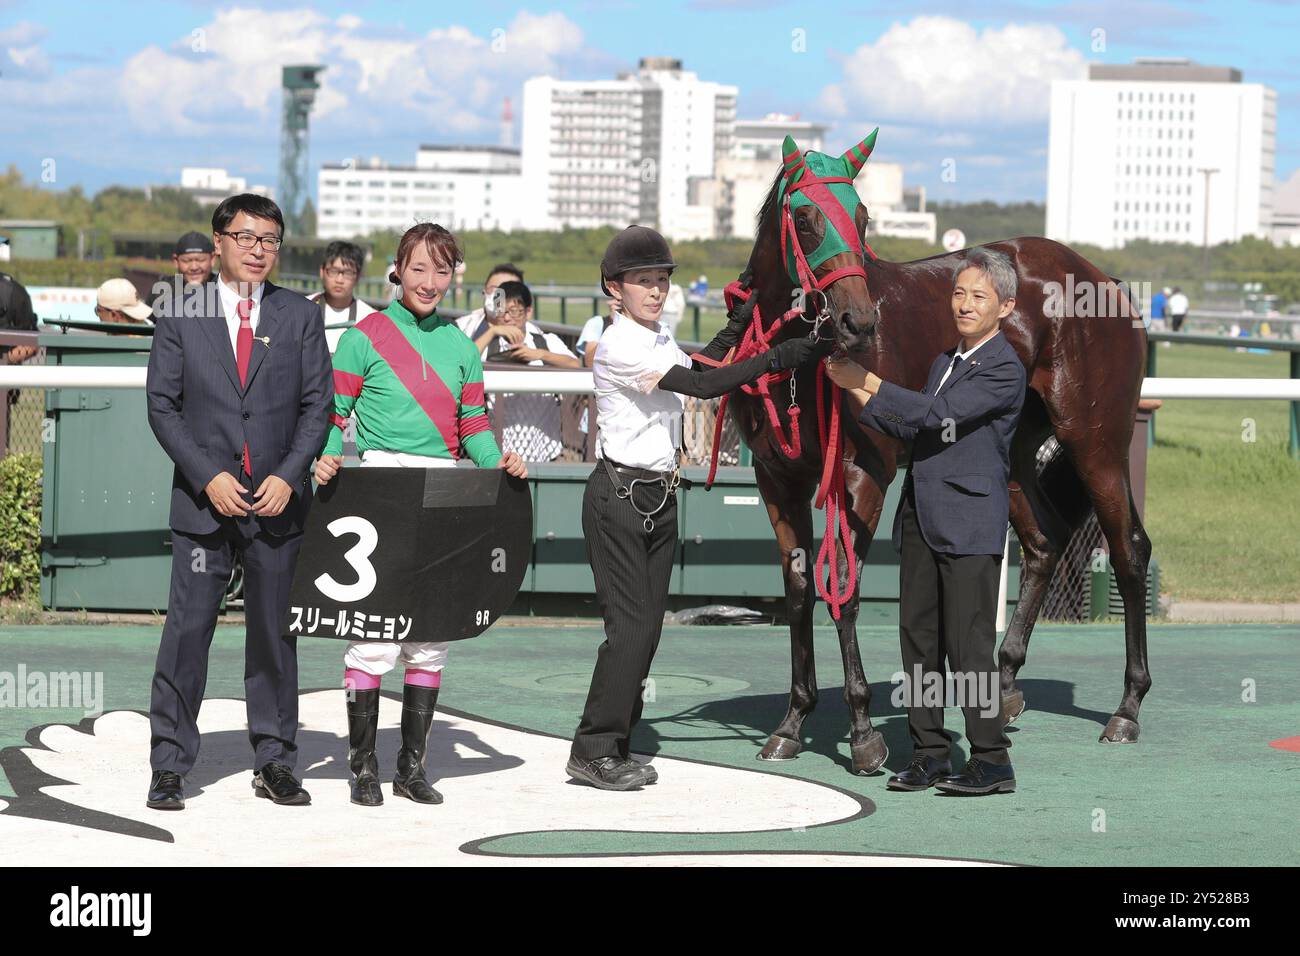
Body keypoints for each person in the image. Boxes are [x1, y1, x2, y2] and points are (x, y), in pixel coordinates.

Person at [566, 225, 830, 791]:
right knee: (630, 631)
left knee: (645, 631)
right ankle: (591, 749)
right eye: (644, 282)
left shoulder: (655, 337)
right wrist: (777, 358)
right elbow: (704, 388)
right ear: (615, 289)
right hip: (619, 497)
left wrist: (740, 323)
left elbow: (699, 369)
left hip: (657, 496)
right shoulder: (620, 343)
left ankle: (613, 743)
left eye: (661, 280)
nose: (656, 291)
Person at [314, 222, 528, 808]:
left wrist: (496, 464)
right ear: (397, 270)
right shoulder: (363, 336)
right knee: (375, 640)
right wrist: (327, 460)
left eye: (441, 270)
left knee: (430, 638)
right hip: (381, 494)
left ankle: (412, 768)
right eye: (418, 269)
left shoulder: (462, 346)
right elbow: (335, 415)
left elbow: (474, 427)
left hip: (444, 493)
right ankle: (363, 765)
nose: (430, 282)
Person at [144, 193, 332, 811]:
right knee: (187, 632)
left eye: (271, 240)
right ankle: (170, 763)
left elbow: (317, 408)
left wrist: (287, 476)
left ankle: (275, 758)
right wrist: (207, 476)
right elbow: (163, 407)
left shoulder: (300, 315)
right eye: (247, 237)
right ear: (219, 241)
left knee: (275, 636)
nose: (259, 250)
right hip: (205, 507)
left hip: (278, 506)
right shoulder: (181, 310)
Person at [825, 247, 1026, 796]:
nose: (964, 304)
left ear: (1004, 307)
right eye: (959, 293)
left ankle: (990, 760)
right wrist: (860, 390)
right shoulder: (944, 363)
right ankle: (930, 753)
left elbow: (938, 417)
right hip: (920, 518)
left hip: (969, 525)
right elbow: (917, 427)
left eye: (978, 296)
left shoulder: (1005, 368)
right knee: (918, 643)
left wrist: (861, 381)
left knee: (968, 650)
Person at [479, 280, 579, 463]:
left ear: (528, 311)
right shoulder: (490, 345)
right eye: (502, 311)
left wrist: (539, 355)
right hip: (499, 451)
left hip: (546, 448)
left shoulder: (546, 341)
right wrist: (492, 332)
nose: (507, 318)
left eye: (515, 311)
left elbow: (575, 364)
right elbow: (463, 361)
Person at [308, 240, 365, 351]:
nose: (339, 280)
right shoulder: (302, 307)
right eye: (333, 271)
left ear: (358, 276)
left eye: (348, 273)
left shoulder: (368, 317)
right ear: (322, 272)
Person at [455, 262, 525, 347]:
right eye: (495, 289)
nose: (499, 295)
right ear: (484, 292)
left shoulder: (537, 338)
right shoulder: (460, 328)